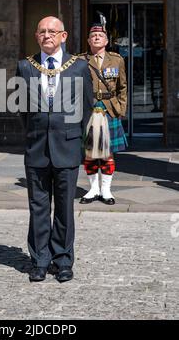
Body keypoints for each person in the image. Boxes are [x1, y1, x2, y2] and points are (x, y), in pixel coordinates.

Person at [16, 16, 93, 282]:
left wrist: (76, 140)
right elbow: (23, 110)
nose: (47, 35)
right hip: (37, 148)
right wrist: (38, 131)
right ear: (36, 36)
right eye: (42, 31)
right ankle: (39, 260)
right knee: (38, 207)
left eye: (52, 31)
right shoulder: (25, 66)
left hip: (67, 147)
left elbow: (85, 109)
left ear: (63, 36)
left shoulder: (80, 67)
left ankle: (62, 260)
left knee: (64, 209)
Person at [78, 19, 127, 205]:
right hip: (89, 110)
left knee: (107, 153)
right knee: (90, 152)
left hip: (109, 109)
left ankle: (106, 190)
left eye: (100, 35)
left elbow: (123, 87)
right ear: (89, 41)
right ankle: (93, 189)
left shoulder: (117, 60)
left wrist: (121, 109)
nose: (96, 37)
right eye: (93, 36)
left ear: (106, 41)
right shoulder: (80, 60)